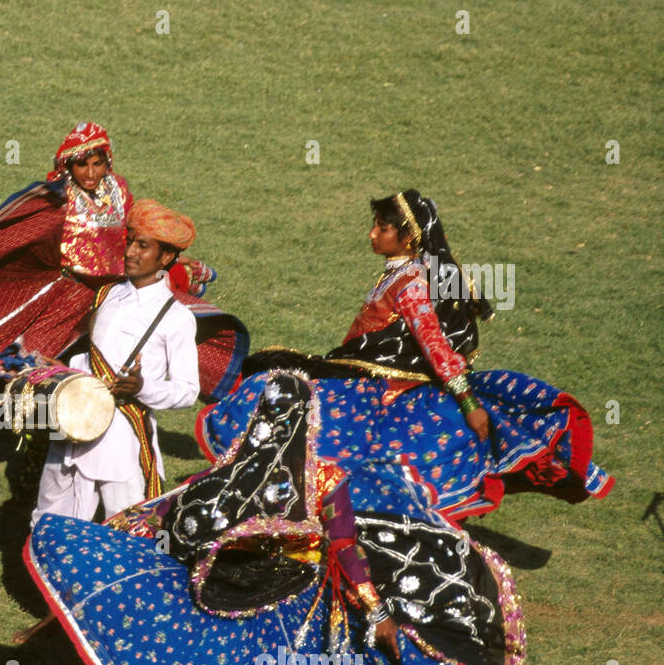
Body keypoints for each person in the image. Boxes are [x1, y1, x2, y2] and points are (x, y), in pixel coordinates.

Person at [27, 371, 526, 665]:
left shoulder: (237, 471)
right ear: (310, 424)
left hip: (238, 598)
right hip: (291, 606)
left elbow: (164, 514)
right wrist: (377, 614)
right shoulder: (319, 479)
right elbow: (345, 549)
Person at [198, 190, 612, 520]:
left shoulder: (412, 281)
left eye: (381, 227)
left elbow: (434, 344)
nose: (372, 235)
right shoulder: (397, 273)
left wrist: (468, 403)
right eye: (374, 226)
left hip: (384, 387)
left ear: (408, 236)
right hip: (364, 375)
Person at [0, 124, 237, 399]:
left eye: (97, 163)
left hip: (114, 289)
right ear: (67, 166)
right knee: (26, 362)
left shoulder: (119, 190)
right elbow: (12, 233)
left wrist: (171, 259)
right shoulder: (59, 201)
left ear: (107, 163)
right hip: (63, 295)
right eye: (82, 164)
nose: (90, 172)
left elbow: (133, 230)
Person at [33, 199, 201, 523]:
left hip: (123, 437)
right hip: (74, 424)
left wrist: (142, 386)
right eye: (129, 242)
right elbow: (93, 358)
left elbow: (188, 390)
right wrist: (62, 370)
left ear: (165, 257)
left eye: (143, 246)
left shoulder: (176, 318)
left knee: (127, 528)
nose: (130, 252)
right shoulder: (107, 294)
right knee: (50, 518)